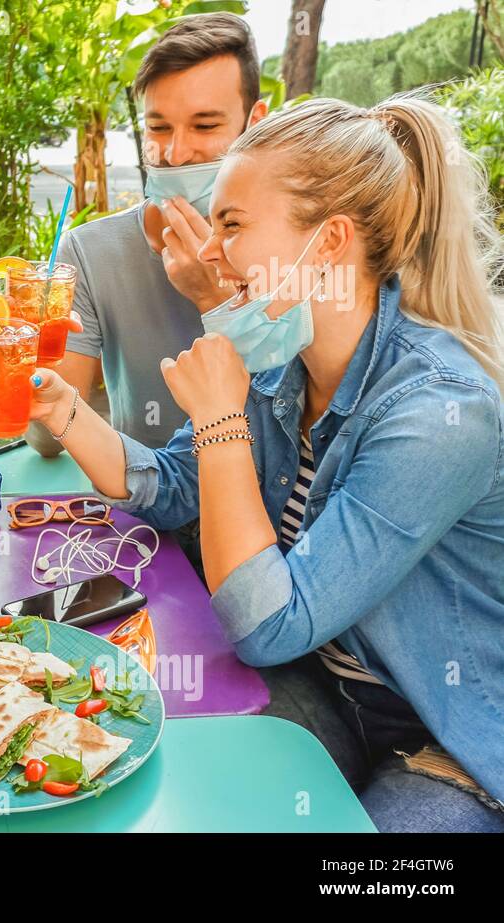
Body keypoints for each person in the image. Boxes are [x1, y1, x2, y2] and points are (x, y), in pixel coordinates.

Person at [25, 92, 504, 832]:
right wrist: (69, 414)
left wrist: (220, 418)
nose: (209, 255)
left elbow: (267, 622)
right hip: (326, 685)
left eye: (233, 225)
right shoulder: (282, 357)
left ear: (332, 241)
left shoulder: (441, 410)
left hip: (448, 739)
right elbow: (174, 485)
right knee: (135, 762)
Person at [28, 12, 268, 456]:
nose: (175, 153)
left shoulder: (294, 250)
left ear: (254, 123)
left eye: (205, 126)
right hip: (142, 504)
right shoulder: (89, 252)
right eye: (158, 128)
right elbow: (46, 440)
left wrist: (216, 300)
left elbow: (289, 436)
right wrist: (29, 357)